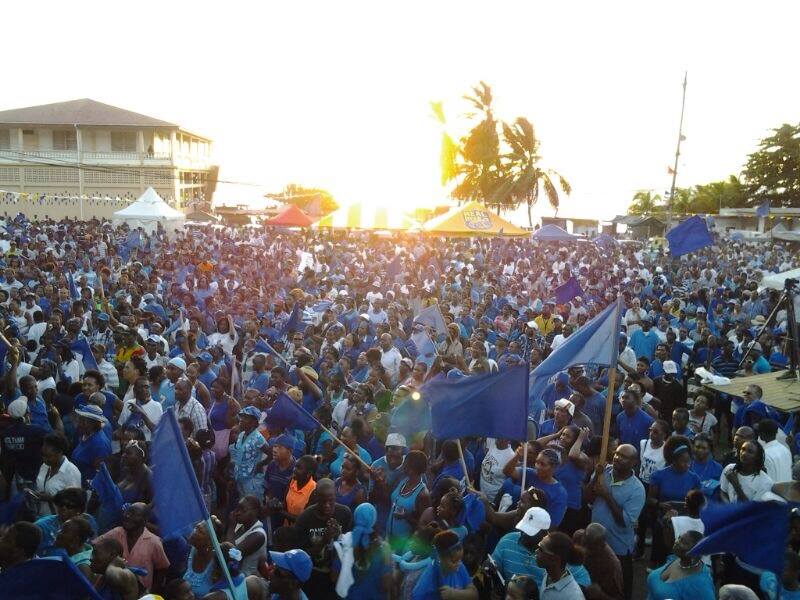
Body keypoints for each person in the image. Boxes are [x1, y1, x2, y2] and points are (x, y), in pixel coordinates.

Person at [586, 443, 644, 600]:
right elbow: (586, 498)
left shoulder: (637, 489)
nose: (617, 458)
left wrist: (606, 495)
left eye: (624, 456)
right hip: (595, 544)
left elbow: (624, 522)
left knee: (618, 589)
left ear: (634, 462)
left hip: (618, 547)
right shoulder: (603, 471)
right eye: (617, 453)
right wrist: (594, 478)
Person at [295, 478, 354, 599]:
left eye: (331, 501)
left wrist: (340, 537)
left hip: (338, 578)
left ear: (336, 496)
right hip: (313, 578)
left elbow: (352, 551)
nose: (327, 505)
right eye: (323, 501)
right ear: (316, 497)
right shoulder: (305, 518)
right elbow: (300, 557)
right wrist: (324, 540)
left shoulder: (345, 513)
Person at [647, 436, 700, 566]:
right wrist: (660, 504)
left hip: (685, 517)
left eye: (689, 462)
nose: (687, 465)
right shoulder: (658, 476)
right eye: (683, 462)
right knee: (661, 529)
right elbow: (649, 499)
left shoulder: (694, 479)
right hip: (663, 517)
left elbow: (698, 502)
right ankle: (657, 563)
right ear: (674, 460)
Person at [93, 502, 170, 592]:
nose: (128, 516)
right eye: (128, 512)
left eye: (134, 514)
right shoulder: (116, 533)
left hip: (138, 592)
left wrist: (152, 591)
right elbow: (95, 545)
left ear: (145, 520)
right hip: (113, 589)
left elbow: (162, 568)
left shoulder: (154, 542)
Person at [332, 502, 393, 599]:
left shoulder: (343, 543)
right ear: (374, 521)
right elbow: (386, 585)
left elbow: (334, 577)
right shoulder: (384, 548)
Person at [645, 531, 715, 600]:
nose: (677, 542)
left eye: (683, 542)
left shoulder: (701, 586)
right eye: (679, 538)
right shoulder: (675, 558)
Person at [412, 529, 478, 599]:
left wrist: (454, 594)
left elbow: (475, 594)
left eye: (459, 560)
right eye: (453, 561)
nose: (458, 564)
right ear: (439, 558)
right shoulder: (424, 589)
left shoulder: (458, 565)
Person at [386, 450, 430, 551]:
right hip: (389, 537)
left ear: (412, 469)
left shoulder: (423, 494)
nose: (402, 465)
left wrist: (406, 517)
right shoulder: (403, 481)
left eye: (405, 463)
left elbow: (424, 525)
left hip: (404, 544)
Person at [575, 524, 624, 600]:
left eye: (590, 547)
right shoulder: (579, 537)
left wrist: (600, 595)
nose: (585, 550)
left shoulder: (612, 564)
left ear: (601, 545)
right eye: (584, 544)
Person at [229, 406, 267, 497]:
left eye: (245, 418)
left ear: (254, 422)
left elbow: (270, 453)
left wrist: (260, 464)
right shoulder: (241, 435)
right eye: (241, 417)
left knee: (252, 505)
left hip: (251, 480)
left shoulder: (258, 438)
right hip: (240, 477)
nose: (241, 420)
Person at [534, 531, 586, 599]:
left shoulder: (573, 597)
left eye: (541, 549)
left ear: (554, 559)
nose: (536, 551)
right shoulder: (548, 574)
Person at [229, 495, 267, 576]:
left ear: (255, 512)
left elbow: (230, 555)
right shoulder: (239, 525)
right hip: (231, 574)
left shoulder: (259, 535)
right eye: (237, 508)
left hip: (245, 580)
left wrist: (231, 526)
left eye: (243, 510)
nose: (237, 513)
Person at [182, 518, 222, 597]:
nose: (194, 532)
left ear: (210, 541)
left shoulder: (218, 561)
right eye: (196, 527)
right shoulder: (191, 549)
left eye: (200, 531)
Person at [758, 419, 793, 483]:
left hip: (773, 491)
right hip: (787, 490)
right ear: (776, 432)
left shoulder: (764, 454)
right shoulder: (785, 450)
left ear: (761, 434)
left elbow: (767, 481)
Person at [689, 433, 723, 498]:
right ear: (693, 447)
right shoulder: (686, 465)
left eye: (704, 448)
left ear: (710, 449)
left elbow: (718, 492)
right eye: (697, 447)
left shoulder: (717, 468)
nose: (700, 450)